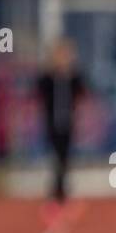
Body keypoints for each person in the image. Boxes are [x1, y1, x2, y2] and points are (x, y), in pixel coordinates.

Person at [36, 38, 86, 221]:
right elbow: (38, 89)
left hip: (68, 123)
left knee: (64, 161)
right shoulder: (48, 78)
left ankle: (61, 197)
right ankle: (54, 198)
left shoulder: (73, 77)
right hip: (52, 124)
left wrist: (69, 72)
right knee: (58, 161)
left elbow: (83, 89)